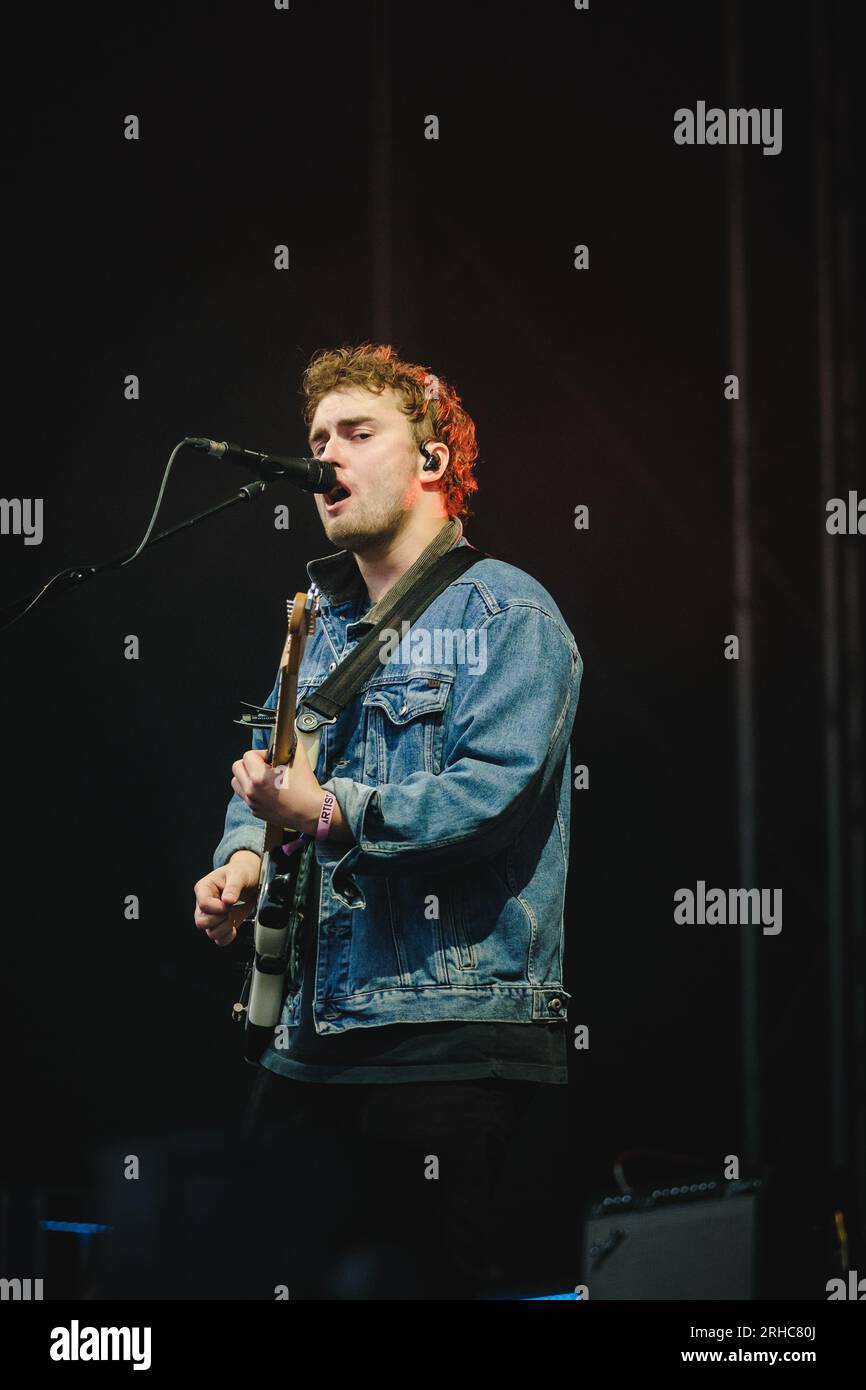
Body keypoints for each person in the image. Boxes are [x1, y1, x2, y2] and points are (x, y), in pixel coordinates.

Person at [192, 342, 583, 1298]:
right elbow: (275, 777)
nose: (325, 456)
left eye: (358, 434)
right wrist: (243, 859)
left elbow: (487, 798)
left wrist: (323, 810)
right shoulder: (316, 622)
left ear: (435, 461)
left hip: (445, 1040)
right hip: (309, 1040)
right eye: (317, 437)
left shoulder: (510, 615)